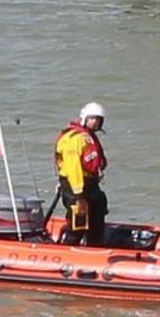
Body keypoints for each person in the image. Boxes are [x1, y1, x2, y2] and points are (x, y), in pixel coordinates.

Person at [54, 102, 108, 246]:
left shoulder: (88, 137)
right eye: (93, 118)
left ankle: (95, 246)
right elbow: (73, 167)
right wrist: (78, 195)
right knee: (78, 221)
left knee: (98, 211)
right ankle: (69, 249)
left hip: (90, 184)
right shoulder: (76, 139)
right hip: (76, 185)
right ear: (85, 118)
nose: (95, 122)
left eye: (98, 119)